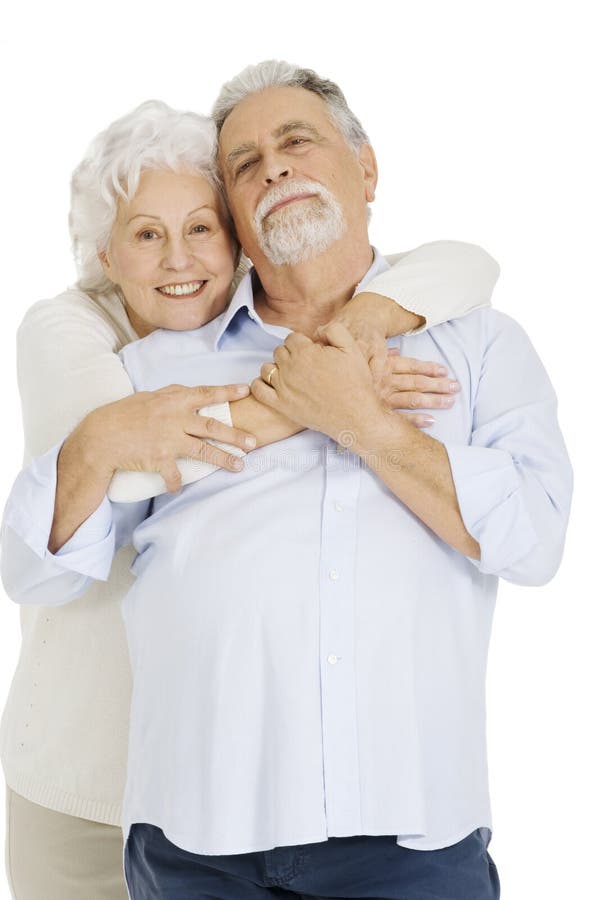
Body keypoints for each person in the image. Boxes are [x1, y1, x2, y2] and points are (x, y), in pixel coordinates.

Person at [0, 99, 498, 900]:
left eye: (201, 227)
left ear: (235, 237)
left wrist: (361, 324)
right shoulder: (71, 334)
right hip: (85, 778)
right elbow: (131, 466)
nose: (177, 258)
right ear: (105, 254)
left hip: (216, 789)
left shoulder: (252, 328)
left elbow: (463, 263)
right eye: (146, 234)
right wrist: (332, 389)